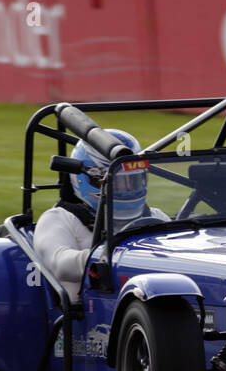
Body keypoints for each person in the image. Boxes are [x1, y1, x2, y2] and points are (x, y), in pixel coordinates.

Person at [33, 128, 167, 301]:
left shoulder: (157, 217)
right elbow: (60, 264)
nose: (127, 189)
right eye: (117, 183)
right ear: (87, 180)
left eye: (133, 180)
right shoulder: (58, 218)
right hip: (84, 317)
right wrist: (120, 258)